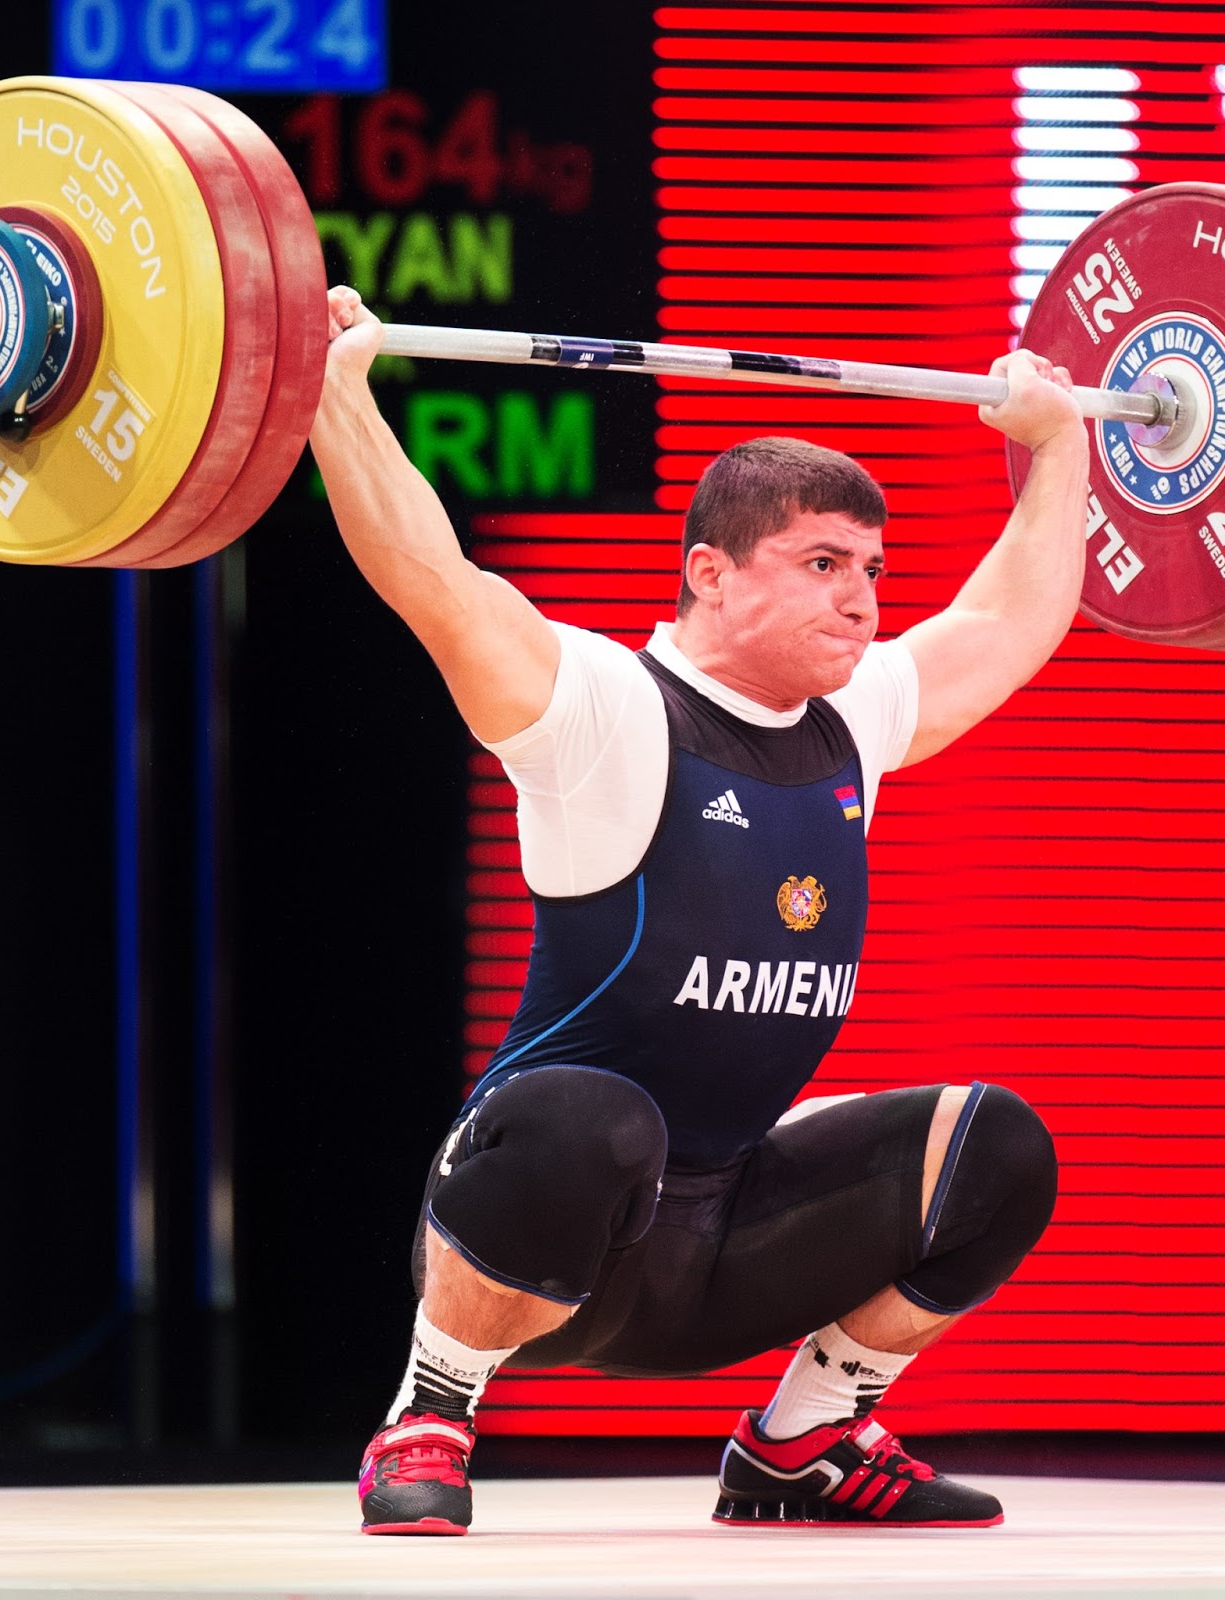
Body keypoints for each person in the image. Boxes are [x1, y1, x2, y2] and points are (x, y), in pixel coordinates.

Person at [311, 284, 1089, 1535]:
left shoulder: (855, 721)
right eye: (823, 564)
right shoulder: (602, 709)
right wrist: (331, 391)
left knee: (996, 1147)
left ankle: (806, 1439)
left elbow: (1006, 621)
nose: (863, 599)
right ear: (708, 575)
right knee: (590, 1112)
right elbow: (429, 575)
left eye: (873, 571)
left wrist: (1061, 449)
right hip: (546, 1230)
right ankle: (431, 1405)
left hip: (725, 1244)